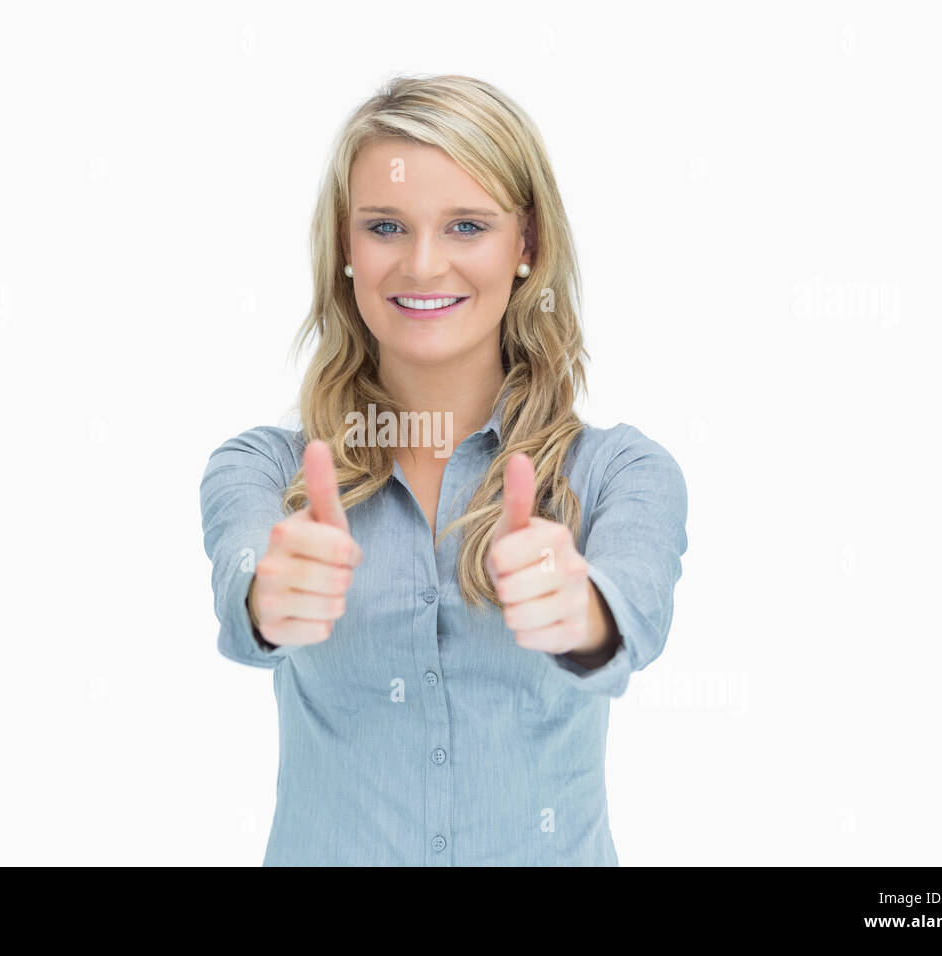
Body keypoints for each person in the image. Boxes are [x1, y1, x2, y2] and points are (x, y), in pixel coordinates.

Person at [199, 74, 688, 866]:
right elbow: (244, 581)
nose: (424, 264)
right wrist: (270, 597)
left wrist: (582, 617)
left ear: (526, 244)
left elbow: (632, 614)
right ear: (345, 251)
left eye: (467, 225)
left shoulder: (621, 472)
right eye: (386, 226)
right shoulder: (262, 468)